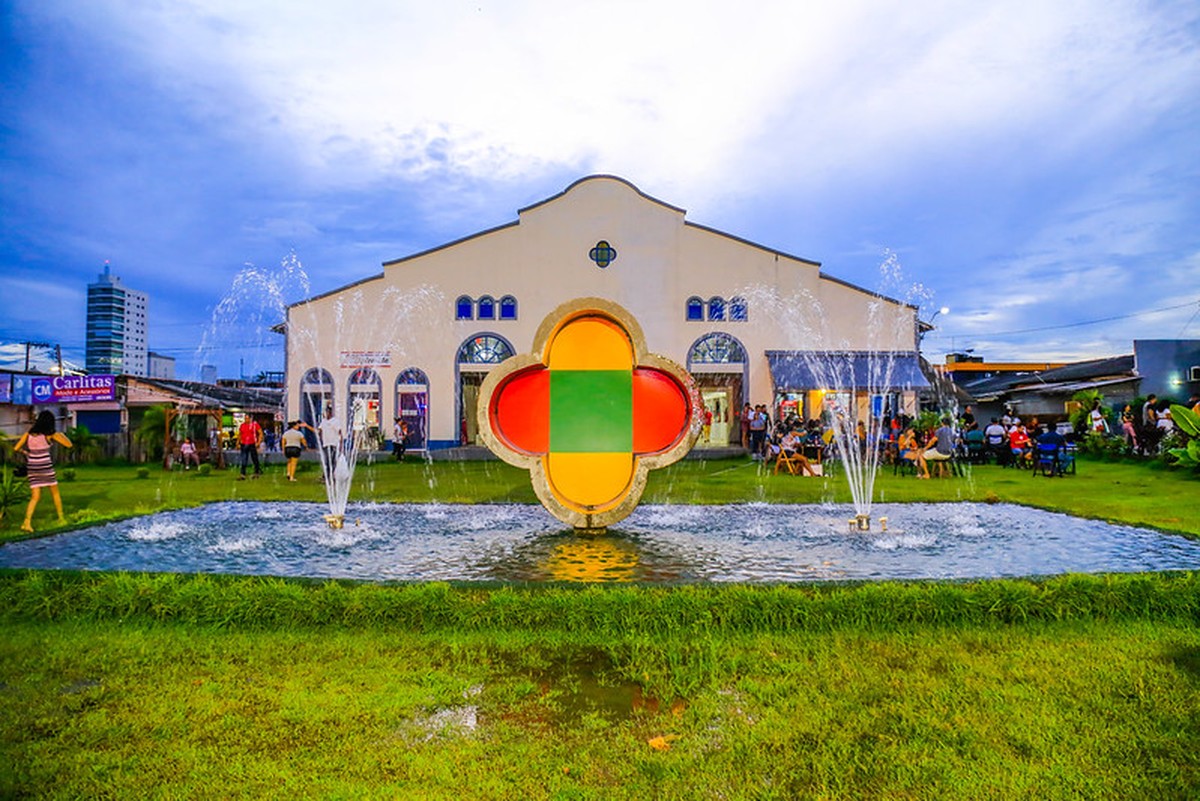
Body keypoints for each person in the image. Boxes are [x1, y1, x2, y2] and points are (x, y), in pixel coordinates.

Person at [13, 411, 73, 533]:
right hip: (45, 466)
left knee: (35, 497)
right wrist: (61, 434)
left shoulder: (28, 434)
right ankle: (61, 518)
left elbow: (16, 448)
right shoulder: (50, 435)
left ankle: (27, 522)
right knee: (55, 493)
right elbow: (69, 444)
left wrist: (26, 453)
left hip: (33, 467)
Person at [318, 409, 344, 477]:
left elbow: (340, 432)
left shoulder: (335, 421)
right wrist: (321, 438)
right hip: (326, 443)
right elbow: (320, 430)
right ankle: (326, 475)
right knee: (327, 460)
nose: (325, 415)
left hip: (333, 443)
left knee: (332, 460)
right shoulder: (323, 421)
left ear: (330, 413)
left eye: (326, 413)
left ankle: (329, 475)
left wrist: (341, 443)